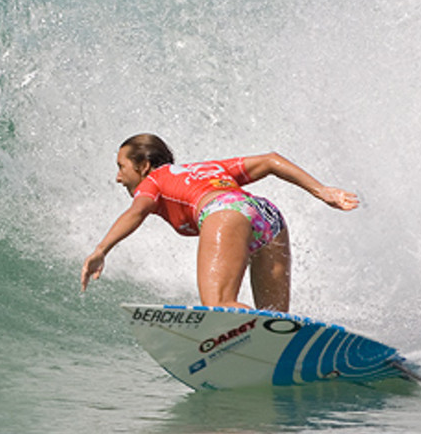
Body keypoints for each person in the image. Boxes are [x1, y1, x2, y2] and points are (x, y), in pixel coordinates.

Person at [80, 133, 359, 312]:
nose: (118, 177)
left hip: (226, 211)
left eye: (121, 167)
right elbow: (271, 161)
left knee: (219, 308)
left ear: (142, 165)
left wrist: (102, 249)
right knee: (273, 322)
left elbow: (136, 212)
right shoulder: (206, 169)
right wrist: (322, 191)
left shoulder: (152, 181)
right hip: (267, 216)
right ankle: (295, 353)